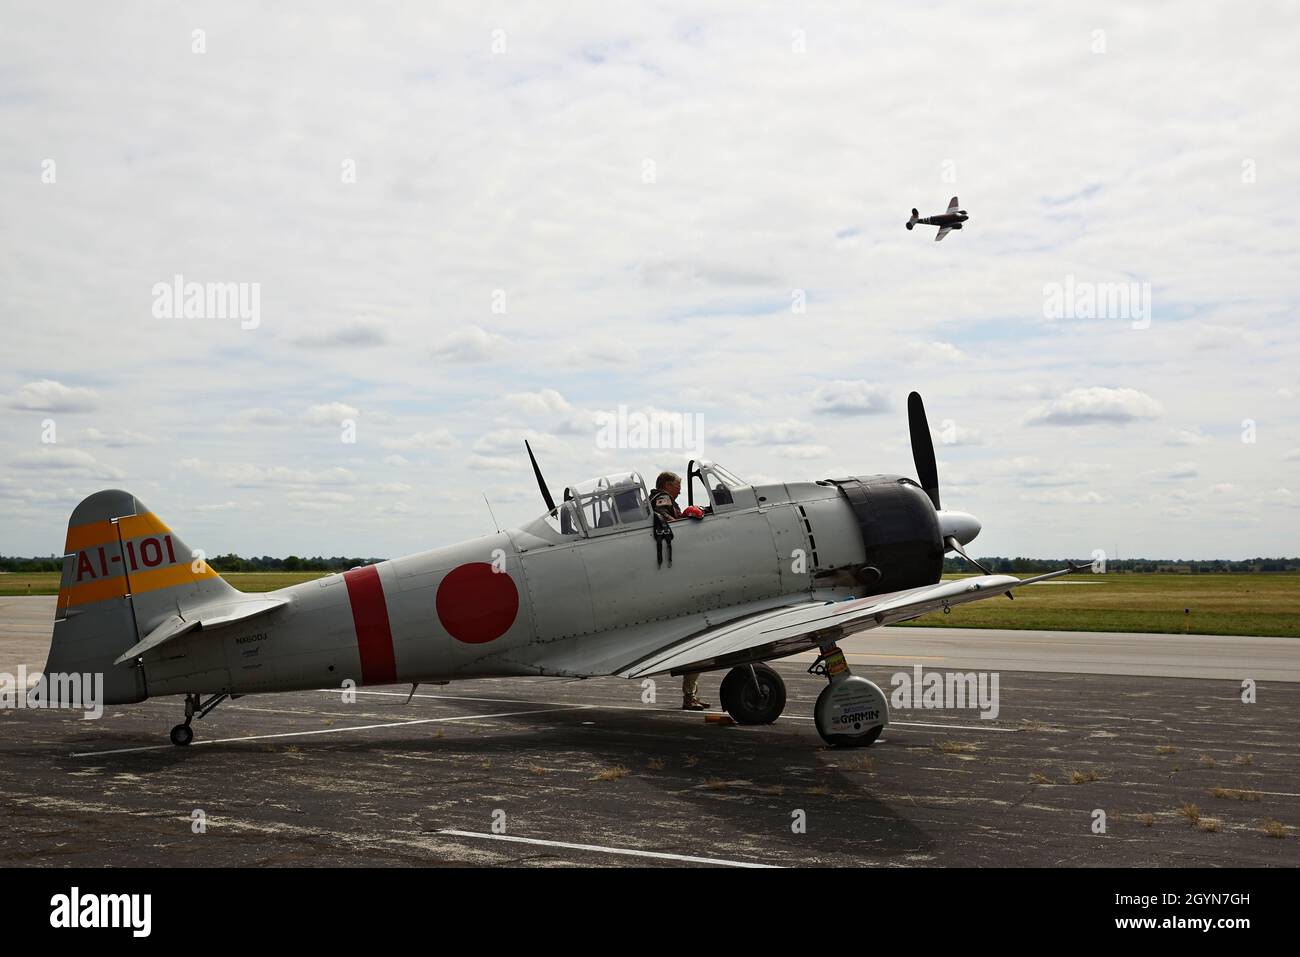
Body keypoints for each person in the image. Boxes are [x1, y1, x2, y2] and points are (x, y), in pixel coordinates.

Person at [650, 471, 710, 710]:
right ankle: (689, 697)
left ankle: (691, 696)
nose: (680, 490)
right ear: (666, 485)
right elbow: (667, 521)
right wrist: (688, 521)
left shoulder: (666, 498)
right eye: (678, 486)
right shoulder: (662, 498)